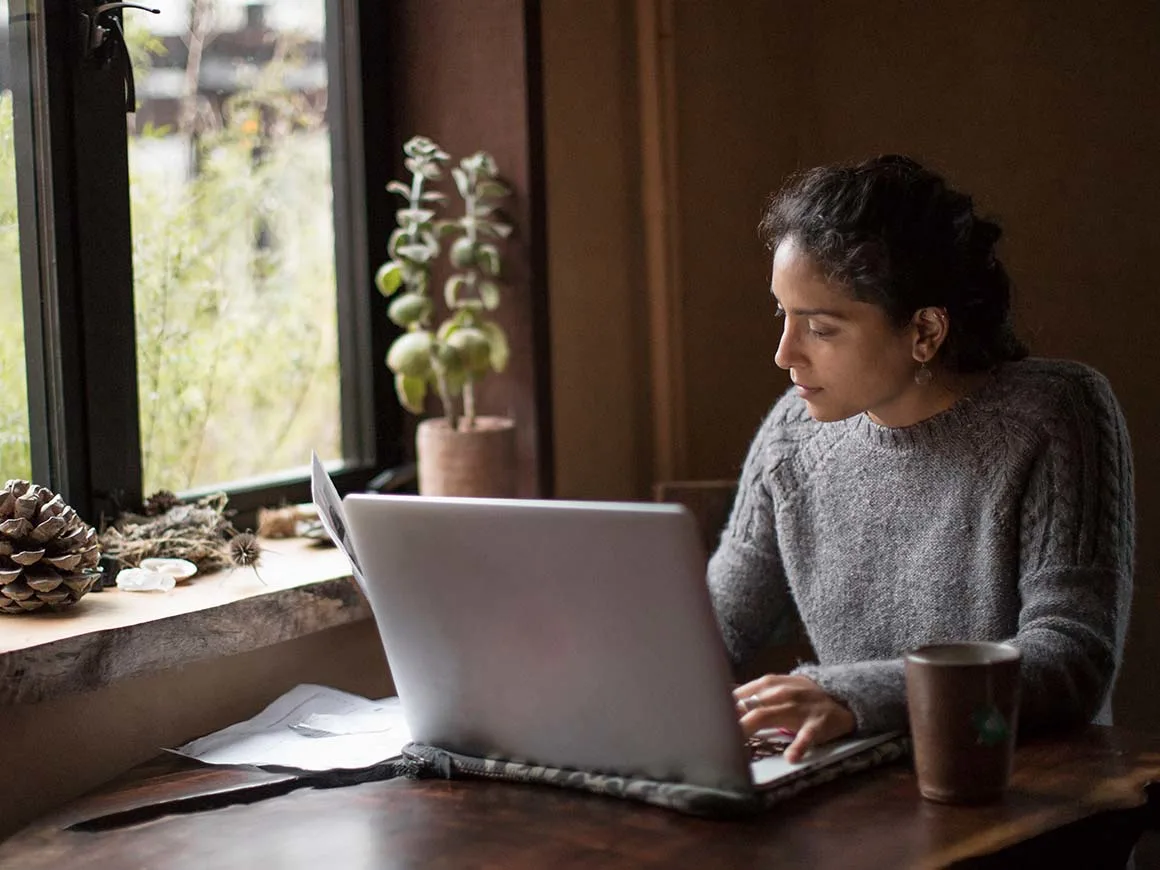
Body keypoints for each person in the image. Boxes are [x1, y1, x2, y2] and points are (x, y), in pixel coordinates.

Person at [707, 155, 1134, 764]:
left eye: (820, 328)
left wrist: (850, 693)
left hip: (1018, 793)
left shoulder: (1055, 413)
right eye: (784, 315)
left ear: (926, 332)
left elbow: (1071, 659)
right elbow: (716, 626)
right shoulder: (791, 435)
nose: (784, 355)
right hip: (859, 794)